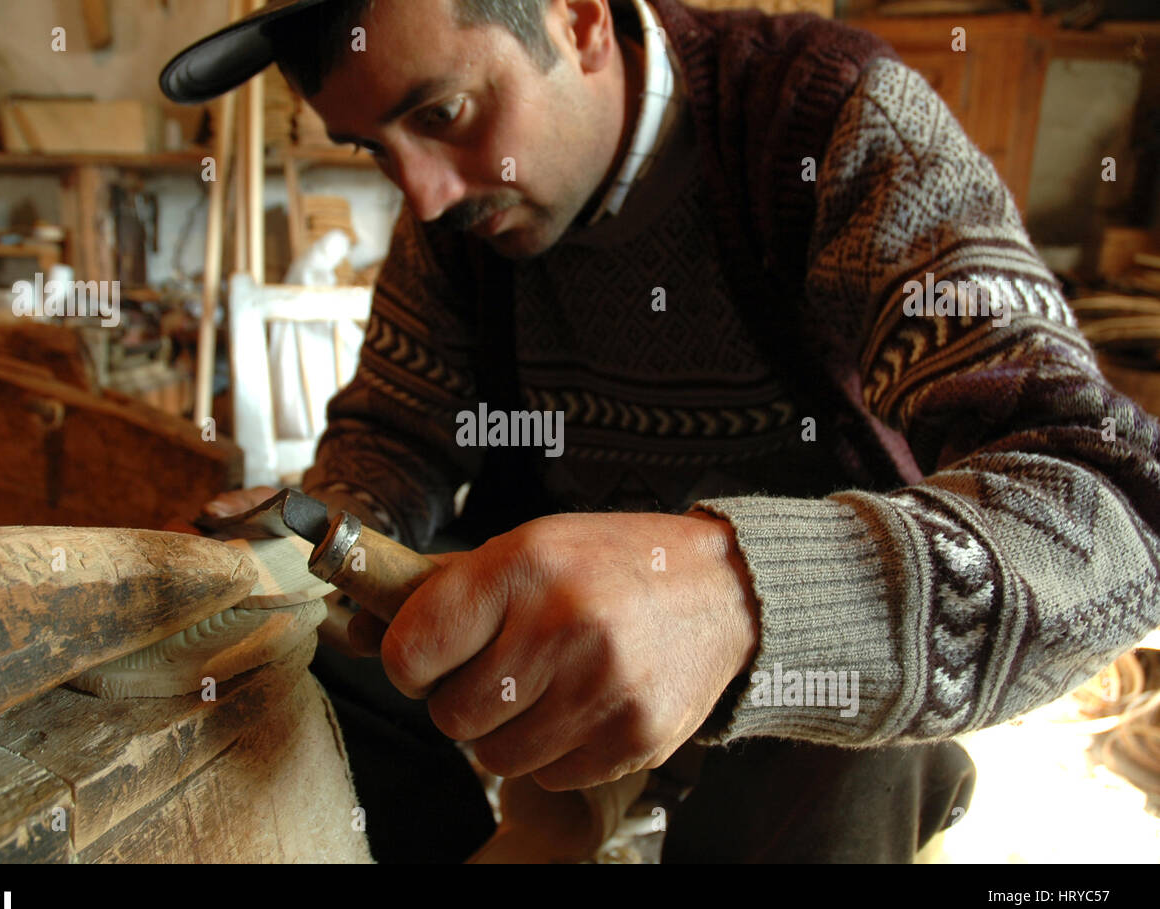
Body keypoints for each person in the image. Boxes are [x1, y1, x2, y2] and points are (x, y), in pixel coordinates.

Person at [163, 0, 1160, 862]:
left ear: (581, 21)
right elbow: (399, 427)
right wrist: (337, 523)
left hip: (789, 663)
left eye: (442, 114)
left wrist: (740, 598)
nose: (420, 193)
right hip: (545, 647)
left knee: (848, 745)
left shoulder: (833, 121)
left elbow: (1116, 506)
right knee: (300, 657)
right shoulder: (456, 209)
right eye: (377, 149)